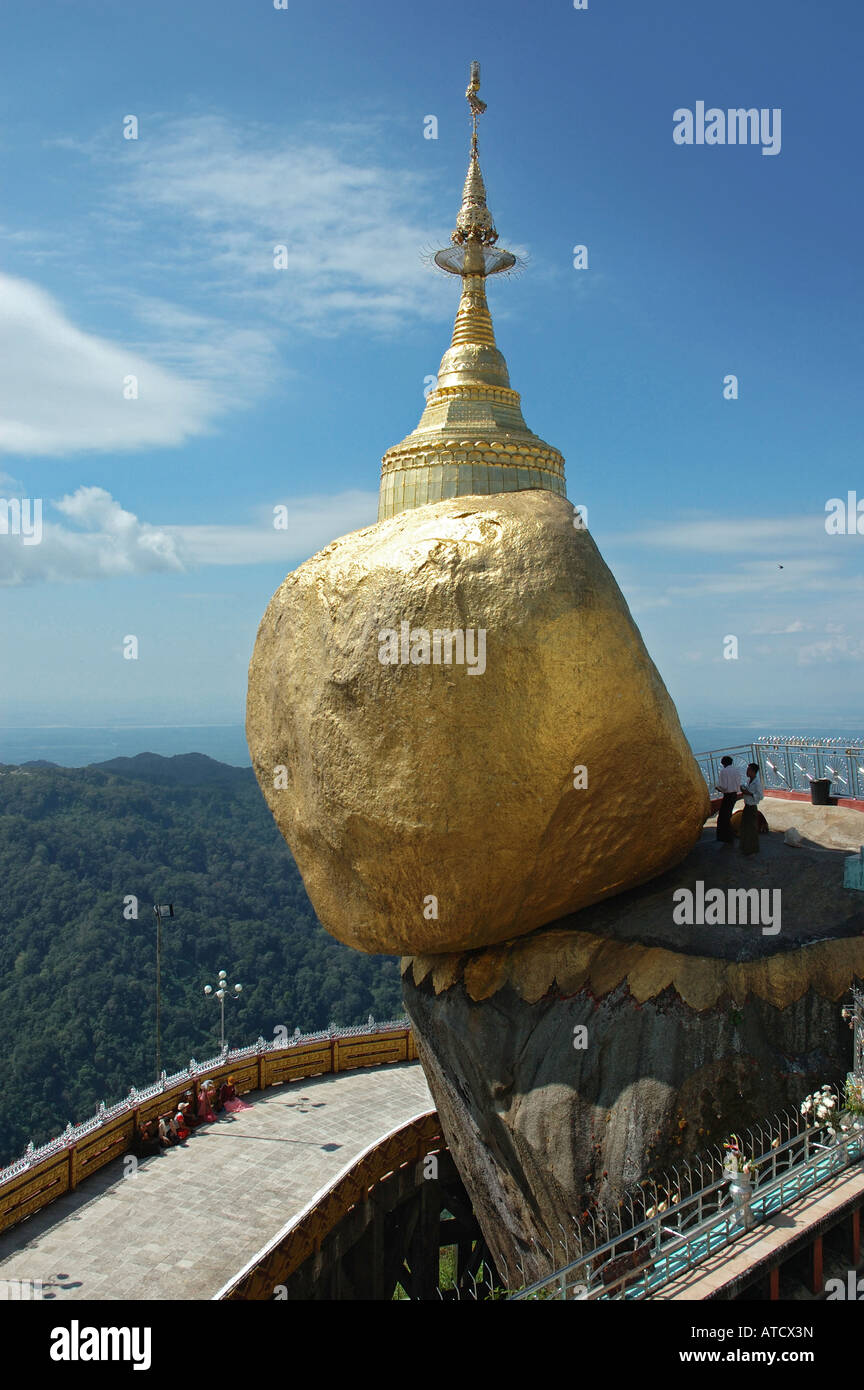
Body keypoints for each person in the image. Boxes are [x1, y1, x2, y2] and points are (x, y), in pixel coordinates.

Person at [714, 756, 741, 844]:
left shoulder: (724, 771)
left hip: (728, 795)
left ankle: (726, 837)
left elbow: (724, 786)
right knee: (728, 815)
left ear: (723, 763)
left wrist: (718, 788)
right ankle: (729, 836)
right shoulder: (736, 770)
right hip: (734, 795)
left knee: (723, 817)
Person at [739, 762, 764, 856]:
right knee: (745, 827)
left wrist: (749, 793)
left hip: (752, 807)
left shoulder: (757, 783)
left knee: (751, 828)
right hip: (747, 806)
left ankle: (752, 848)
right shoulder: (749, 780)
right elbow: (746, 787)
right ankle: (745, 846)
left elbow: (760, 796)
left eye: (748, 770)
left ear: (753, 771)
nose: (747, 771)